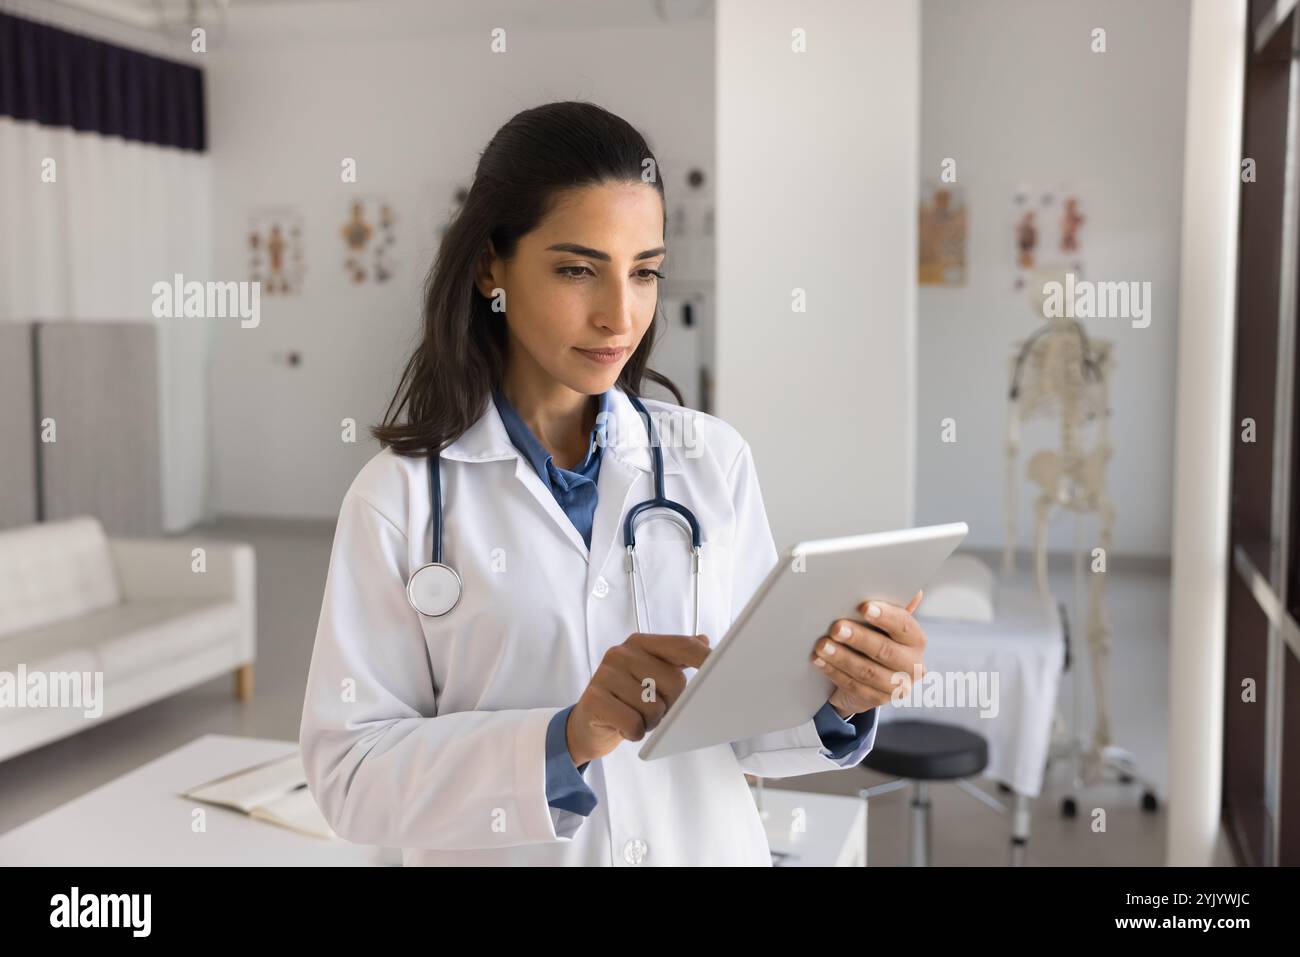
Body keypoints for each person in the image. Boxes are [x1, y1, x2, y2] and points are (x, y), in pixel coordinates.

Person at [298, 100, 928, 866]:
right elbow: (349, 778)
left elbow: (751, 729)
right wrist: (565, 738)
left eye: (645, 273)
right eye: (577, 269)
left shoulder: (711, 461)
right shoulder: (396, 499)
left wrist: (842, 697)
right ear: (491, 266)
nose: (619, 316)